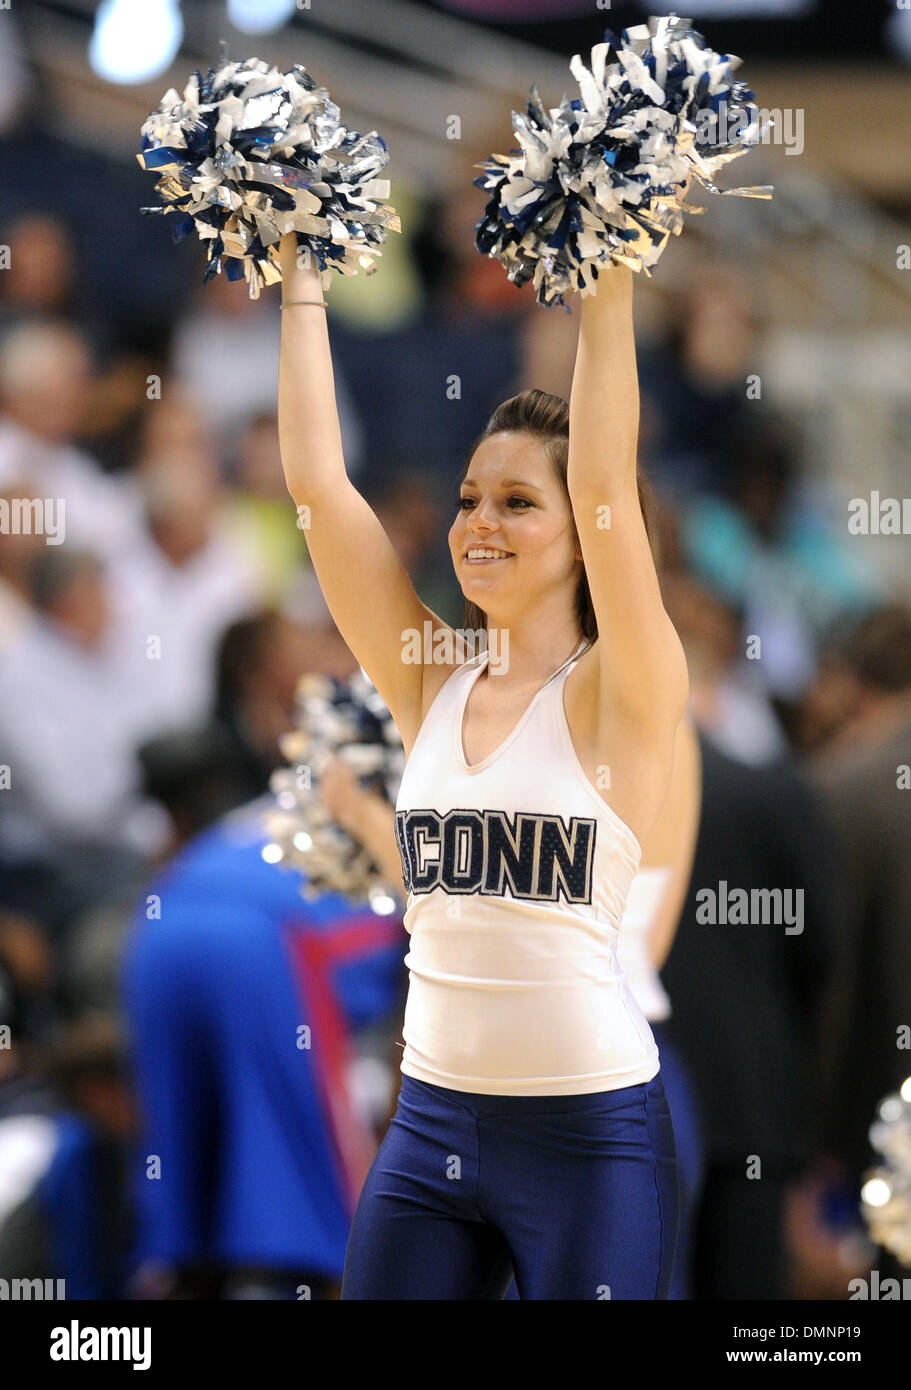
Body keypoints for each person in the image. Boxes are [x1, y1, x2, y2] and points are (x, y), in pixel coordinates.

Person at [276, 234, 689, 1300]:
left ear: (581, 535)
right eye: (467, 499)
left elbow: (603, 477)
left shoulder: (622, 686)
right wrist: (299, 272)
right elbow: (319, 487)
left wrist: (609, 261)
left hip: (588, 1133)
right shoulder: (428, 679)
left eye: (515, 502)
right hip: (428, 1124)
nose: (477, 522)